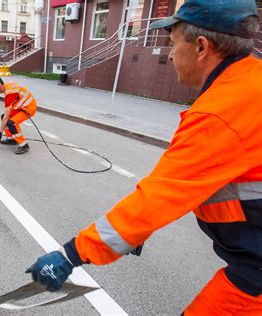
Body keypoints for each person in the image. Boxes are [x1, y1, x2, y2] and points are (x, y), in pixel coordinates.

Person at [26, 0, 262, 314]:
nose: (171, 53)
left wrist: (71, 254)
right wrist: (139, 227)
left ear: (202, 47)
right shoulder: (251, 83)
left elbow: (158, 197)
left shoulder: (221, 113)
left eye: (174, 44)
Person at [0, 76, 37, 154]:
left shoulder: (10, 93)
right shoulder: (7, 87)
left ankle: (24, 145)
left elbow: (6, 117)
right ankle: (11, 139)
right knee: (3, 117)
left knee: (11, 123)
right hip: (21, 106)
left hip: (27, 108)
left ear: (0, 85)